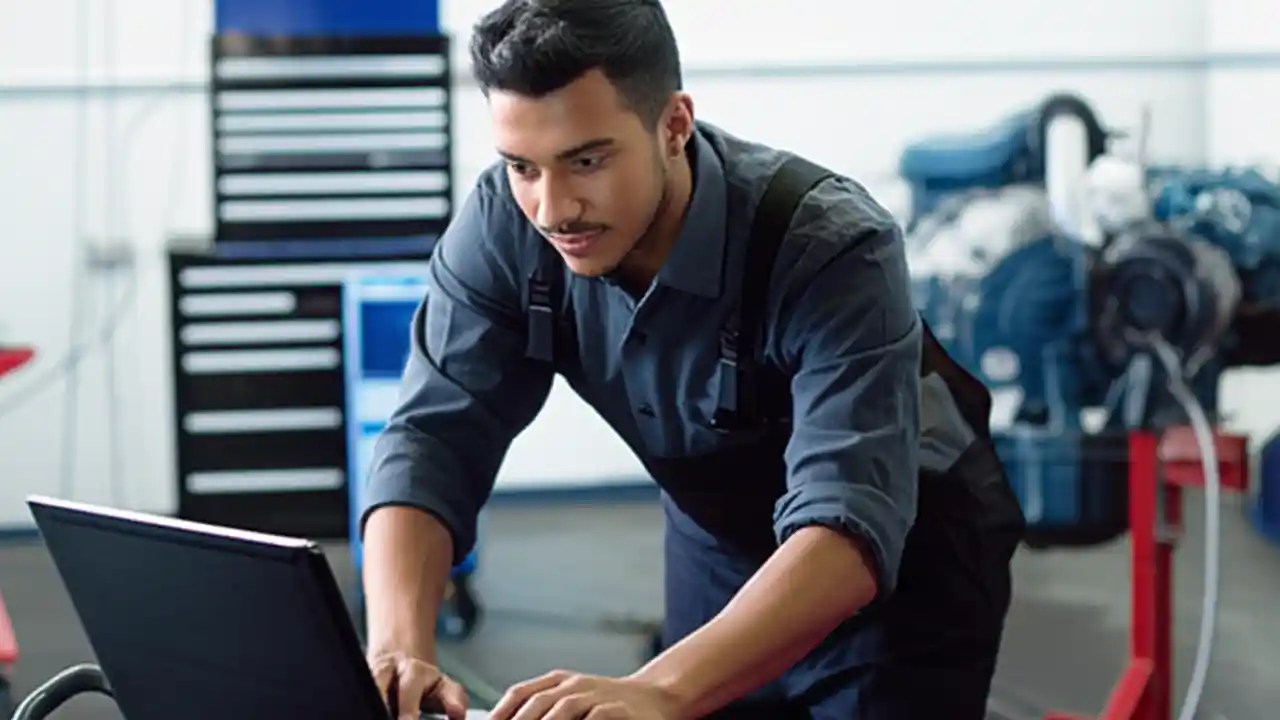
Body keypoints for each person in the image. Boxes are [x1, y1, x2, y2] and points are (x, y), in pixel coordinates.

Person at [358, 1, 1027, 718]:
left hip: (902, 558)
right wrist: (398, 646)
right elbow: (431, 437)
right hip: (720, 547)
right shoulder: (505, 222)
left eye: (587, 160)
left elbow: (848, 516)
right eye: (523, 166)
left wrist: (661, 688)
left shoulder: (831, 248)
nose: (552, 209)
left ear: (674, 125)